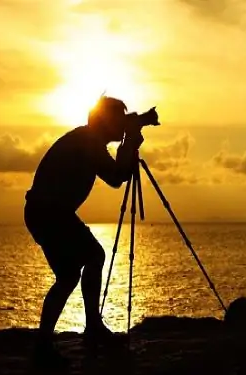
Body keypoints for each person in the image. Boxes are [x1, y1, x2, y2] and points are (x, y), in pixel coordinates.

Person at [24, 96, 159, 366]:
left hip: (49, 212)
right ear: (106, 122)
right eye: (118, 121)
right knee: (80, 266)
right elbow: (116, 176)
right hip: (49, 213)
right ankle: (69, 336)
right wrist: (131, 140)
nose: (122, 126)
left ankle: (74, 333)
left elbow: (115, 174)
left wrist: (133, 131)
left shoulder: (87, 139)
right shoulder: (87, 142)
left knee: (75, 269)